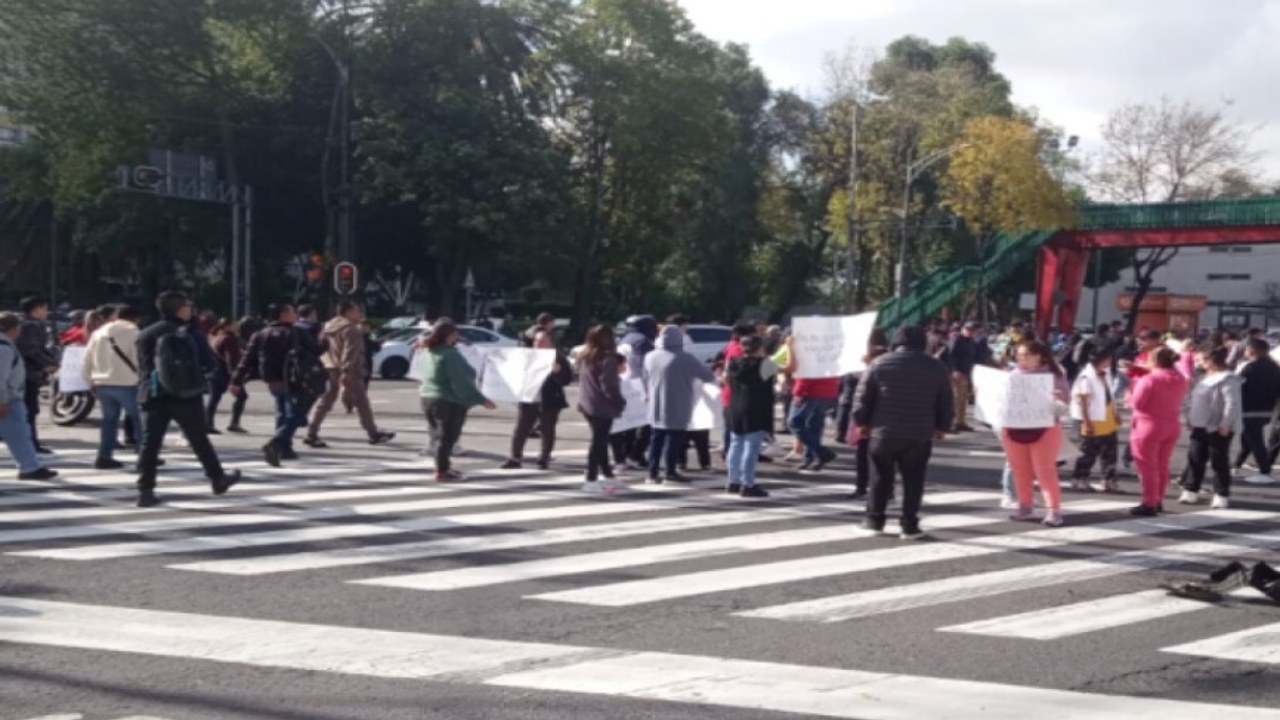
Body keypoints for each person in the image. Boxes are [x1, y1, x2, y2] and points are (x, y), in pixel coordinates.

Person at [136, 291, 240, 507]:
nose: (191, 309)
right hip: (186, 395)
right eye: (188, 306)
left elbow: (144, 366)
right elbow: (209, 363)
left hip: (153, 393)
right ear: (180, 309)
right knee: (199, 439)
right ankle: (217, 478)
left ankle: (145, 491)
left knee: (150, 444)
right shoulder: (191, 333)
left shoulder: (146, 333)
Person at [852, 325, 952, 539]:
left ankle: (874, 520)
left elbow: (862, 398)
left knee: (879, 477)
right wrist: (942, 427)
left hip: (883, 431)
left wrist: (861, 423)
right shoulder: (936, 367)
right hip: (919, 432)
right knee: (914, 479)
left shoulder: (879, 363)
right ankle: (909, 524)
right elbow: (945, 401)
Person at [231, 303, 325, 467]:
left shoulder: (260, 334)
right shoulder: (297, 332)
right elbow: (317, 349)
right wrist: (325, 340)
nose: (295, 315)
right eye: (292, 312)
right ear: (283, 315)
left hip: (271, 379)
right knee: (296, 414)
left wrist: (236, 380)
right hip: (295, 379)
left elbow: (247, 360)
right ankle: (277, 442)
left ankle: (285, 448)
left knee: (282, 411)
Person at [305, 300, 395, 448]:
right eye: (357, 310)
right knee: (362, 403)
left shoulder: (328, 326)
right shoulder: (351, 329)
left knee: (325, 402)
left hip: (330, 366)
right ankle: (373, 433)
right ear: (348, 312)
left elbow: (321, 346)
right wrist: (347, 372)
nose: (360, 313)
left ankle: (311, 432)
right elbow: (350, 352)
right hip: (349, 370)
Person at [1001, 340, 1071, 527]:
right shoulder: (1010, 375)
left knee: (1045, 470)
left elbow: (1064, 407)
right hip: (1013, 428)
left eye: (1025, 355)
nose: (1020, 359)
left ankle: (1053, 510)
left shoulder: (1054, 375)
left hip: (1044, 428)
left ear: (1040, 356)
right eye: (1018, 355)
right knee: (1020, 469)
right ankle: (1025, 505)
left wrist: (1057, 399)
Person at [418, 318, 495, 481]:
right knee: (447, 437)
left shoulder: (427, 351)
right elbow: (460, 379)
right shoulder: (450, 354)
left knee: (436, 435)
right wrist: (480, 399)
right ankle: (442, 471)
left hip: (427, 397)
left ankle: (442, 466)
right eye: (455, 334)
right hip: (447, 400)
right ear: (450, 335)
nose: (457, 337)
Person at [644, 325, 718, 483]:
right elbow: (707, 376)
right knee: (674, 438)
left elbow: (645, 377)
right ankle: (670, 472)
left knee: (656, 439)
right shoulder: (686, 358)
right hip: (678, 403)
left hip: (656, 404)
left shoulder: (650, 356)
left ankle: (652, 473)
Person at [82, 304, 144, 470]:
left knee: (109, 421)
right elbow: (139, 359)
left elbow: (87, 359)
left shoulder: (98, 333)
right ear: (137, 318)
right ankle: (144, 454)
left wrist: (90, 381)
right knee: (140, 419)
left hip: (102, 382)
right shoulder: (135, 333)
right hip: (128, 382)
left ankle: (104, 455)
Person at [1178, 346, 1241, 509]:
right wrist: (1189, 417)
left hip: (1217, 426)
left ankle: (1221, 494)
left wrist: (1225, 424)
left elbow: (1232, 404)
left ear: (1211, 361)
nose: (1197, 362)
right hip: (1199, 425)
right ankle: (1191, 490)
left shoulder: (1228, 379)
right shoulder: (1202, 378)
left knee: (1218, 461)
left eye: (1201, 360)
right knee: (1195, 458)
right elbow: (1190, 399)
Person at [1128, 347, 1188, 516]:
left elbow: (1137, 403)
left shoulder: (1149, 379)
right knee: (1162, 465)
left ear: (1154, 361)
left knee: (1147, 466)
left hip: (1148, 424)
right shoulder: (1180, 378)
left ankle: (1149, 502)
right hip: (1171, 423)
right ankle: (1158, 500)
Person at [501, 329, 572, 470]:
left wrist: (557, 373)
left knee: (547, 430)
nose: (538, 345)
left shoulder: (558, 357)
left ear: (551, 343)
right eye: (536, 342)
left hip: (549, 399)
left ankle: (544, 457)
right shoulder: (526, 356)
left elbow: (567, 379)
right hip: (528, 398)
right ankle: (515, 457)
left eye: (542, 342)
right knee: (521, 429)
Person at [0, 313, 57, 480]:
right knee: (19, 434)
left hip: (9, 397)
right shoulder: (4, 348)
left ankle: (29, 466)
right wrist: (2, 401)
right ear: (13, 328)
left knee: (19, 434)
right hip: (8, 398)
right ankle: (29, 467)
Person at [576, 325, 627, 491]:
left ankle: (607, 474)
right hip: (602, 405)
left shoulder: (585, 355)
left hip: (587, 403)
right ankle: (591, 478)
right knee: (599, 442)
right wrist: (619, 401)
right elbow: (609, 384)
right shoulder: (607, 357)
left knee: (601, 440)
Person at [725, 335, 776, 498]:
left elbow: (725, 380)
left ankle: (733, 481)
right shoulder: (765, 364)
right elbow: (773, 378)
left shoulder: (733, 363)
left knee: (735, 444)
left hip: (735, 406)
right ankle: (748, 484)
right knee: (751, 447)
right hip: (756, 407)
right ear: (760, 348)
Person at [779, 335, 839, 473]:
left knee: (794, 422)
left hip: (810, 391)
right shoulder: (828, 350)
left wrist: (799, 392)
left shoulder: (810, 350)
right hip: (827, 390)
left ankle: (820, 452)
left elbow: (806, 373)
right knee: (814, 425)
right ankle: (812, 458)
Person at [1069, 346, 1122, 494]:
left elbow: (1109, 395)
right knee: (1088, 451)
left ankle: (1108, 479)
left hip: (1107, 417)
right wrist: (1086, 421)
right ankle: (1079, 478)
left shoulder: (1106, 373)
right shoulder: (1086, 376)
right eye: (1108, 358)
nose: (1111, 361)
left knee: (1110, 451)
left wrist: (1116, 413)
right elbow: (1083, 401)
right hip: (1092, 418)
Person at [1234, 337, 1280, 485]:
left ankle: (1264, 471)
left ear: (1252, 350)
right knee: (1249, 438)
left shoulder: (1249, 367)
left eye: (1247, 349)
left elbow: (1239, 387)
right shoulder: (1274, 367)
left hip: (1248, 408)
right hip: (1267, 409)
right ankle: (1237, 464)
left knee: (1255, 440)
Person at [15, 296, 57, 454]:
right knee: (29, 410)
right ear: (37, 309)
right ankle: (30, 443)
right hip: (27, 374)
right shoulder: (31, 325)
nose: (47, 312)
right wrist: (46, 364)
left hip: (23, 373)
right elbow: (30, 350)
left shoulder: (23, 323)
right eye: (45, 308)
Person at [207, 318, 248, 433]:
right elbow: (231, 359)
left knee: (214, 398)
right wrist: (235, 378)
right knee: (242, 396)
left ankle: (208, 423)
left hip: (214, 371)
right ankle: (234, 423)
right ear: (226, 326)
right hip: (226, 372)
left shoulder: (214, 336)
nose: (237, 327)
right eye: (234, 325)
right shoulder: (230, 339)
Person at [947, 321, 978, 432]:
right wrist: (955, 369)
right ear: (963, 329)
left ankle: (961, 421)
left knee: (963, 398)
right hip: (957, 373)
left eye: (972, 330)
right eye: (968, 329)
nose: (970, 332)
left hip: (965, 372)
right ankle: (954, 421)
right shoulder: (957, 339)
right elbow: (951, 354)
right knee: (956, 398)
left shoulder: (970, 341)